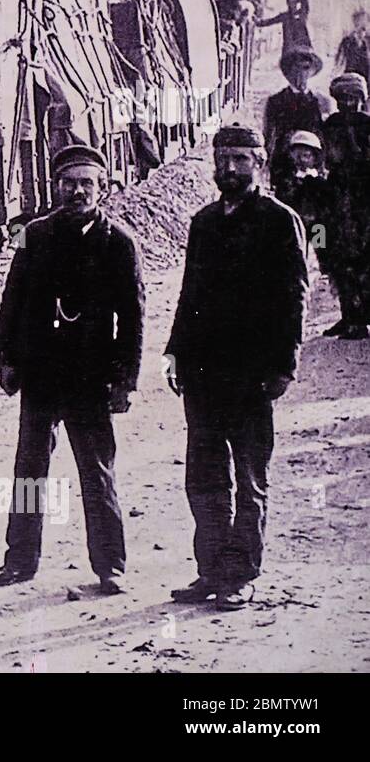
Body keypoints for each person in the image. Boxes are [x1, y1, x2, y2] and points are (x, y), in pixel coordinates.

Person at [0, 144, 144, 594]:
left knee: (96, 472)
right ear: (56, 187)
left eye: (86, 184)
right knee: (29, 469)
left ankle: (110, 566)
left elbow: (133, 318)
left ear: (103, 190)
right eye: (69, 183)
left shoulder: (119, 244)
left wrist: (124, 380)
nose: (77, 191)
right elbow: (11, 300)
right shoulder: (33, 235)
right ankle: (19, 561)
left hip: (89, 377)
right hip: (40, 373)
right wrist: (7, 360)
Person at [164, 124, 307, 611]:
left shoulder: (279, 221)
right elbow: (190, 293)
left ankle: (241, 574)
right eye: (222, 158)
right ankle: (210, 570)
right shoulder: (203, 222)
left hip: (251, 374)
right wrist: (176, 351)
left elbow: (294, 297)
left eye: (240, 159)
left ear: (259, 163)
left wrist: (284, 364)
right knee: (204, 477)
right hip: (203, 373)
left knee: (249, 478)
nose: (229, 168)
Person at [318, 73, 370, 338]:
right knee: (338, 255)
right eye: (343, 99)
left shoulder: (367, 125)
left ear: (362, 99)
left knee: (363, 257)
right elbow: (323, 156)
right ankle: (348, 315)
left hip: (364, 196)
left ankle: (361, 319)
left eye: (353, 98)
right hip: (337, 194)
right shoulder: (330, 125)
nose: (348, 104)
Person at [262, 46, 328, 178]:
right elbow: (269, 135)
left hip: (311, 159)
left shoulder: (319, 101)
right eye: (296, 68)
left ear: (311, 72)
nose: (301, 73)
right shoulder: (276, 101)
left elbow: (324, 135)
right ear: (289, 72)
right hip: (284, 159)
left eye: (306, 68)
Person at [334, 8, 370, 81]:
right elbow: (339, 62)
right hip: (351, 79)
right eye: (358, 25)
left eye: (364, 26)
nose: (361, 29)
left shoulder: (368, 41)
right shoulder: (346, 42)